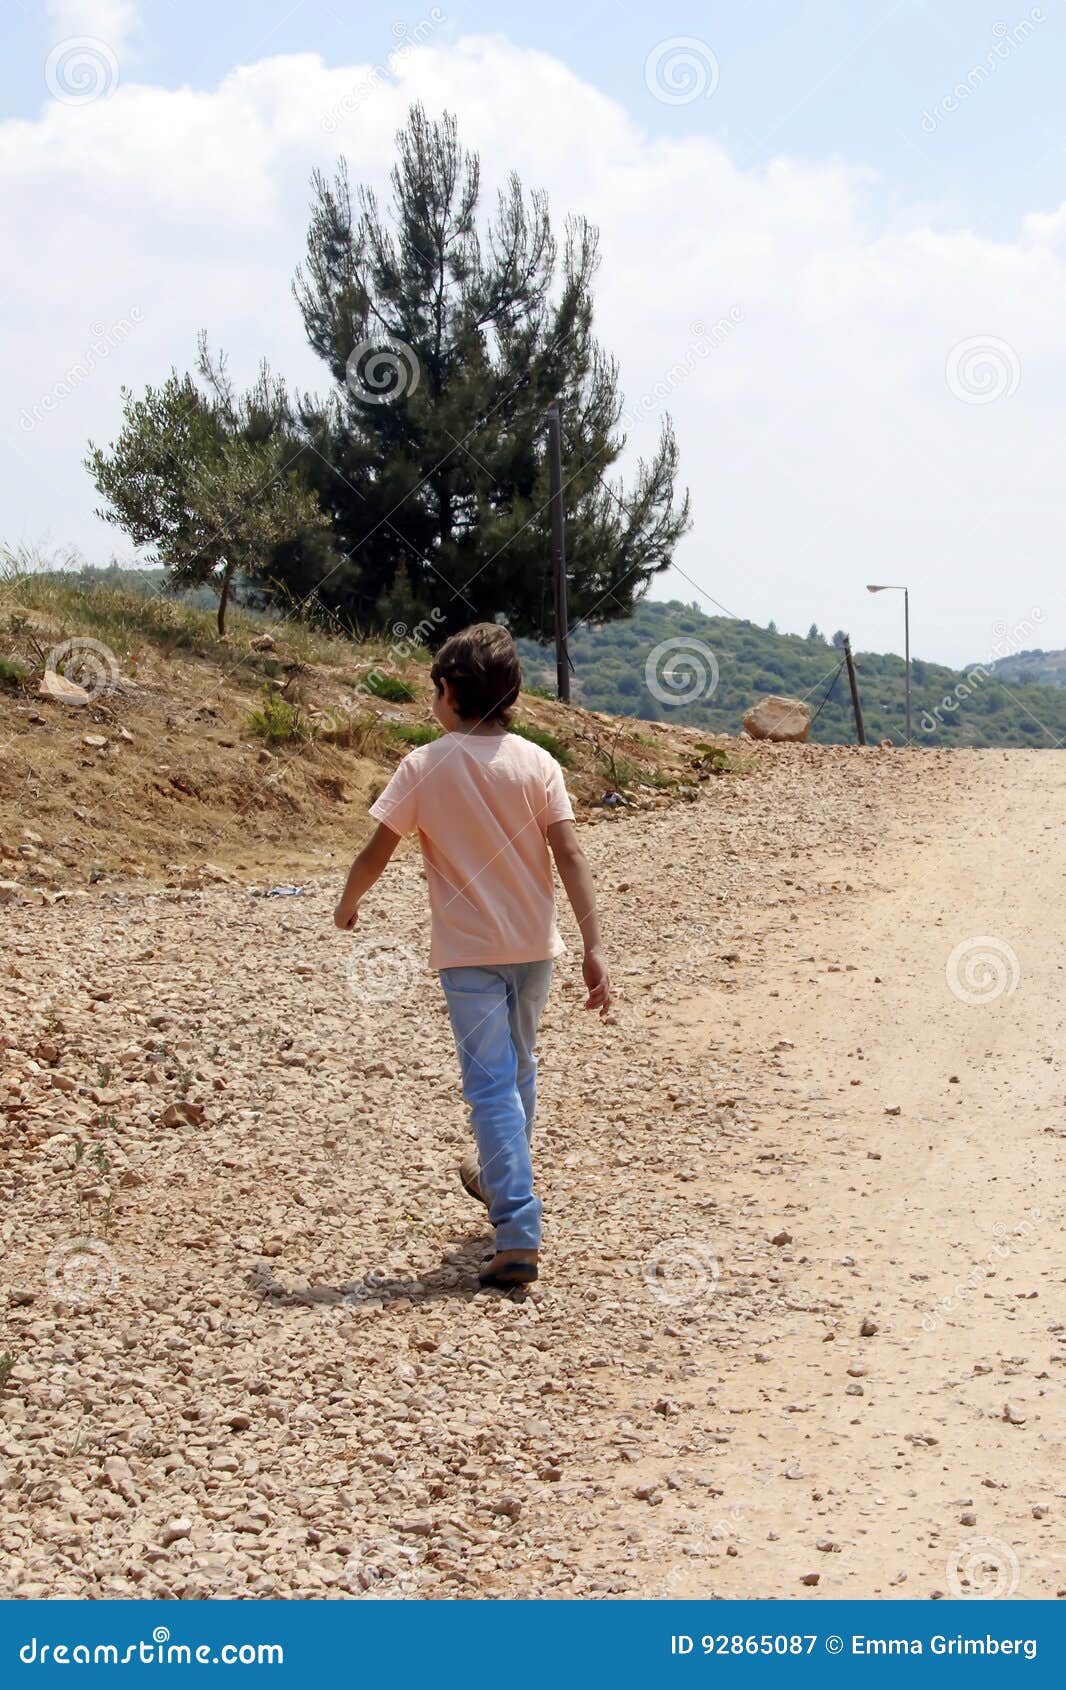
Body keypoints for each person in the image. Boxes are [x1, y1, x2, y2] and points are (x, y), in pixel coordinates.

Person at [333, 622, 610, 1289]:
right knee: (516, 1073)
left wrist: (349, 901)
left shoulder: (425, 766)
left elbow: (378, 849)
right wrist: (594, 941)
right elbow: (569, 853)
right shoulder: (537, 763)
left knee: (490, 1084)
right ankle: (495, 1177)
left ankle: (517, 1229)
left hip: (468, 955)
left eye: (435, 687)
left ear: (450, 692)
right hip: (534, 949)